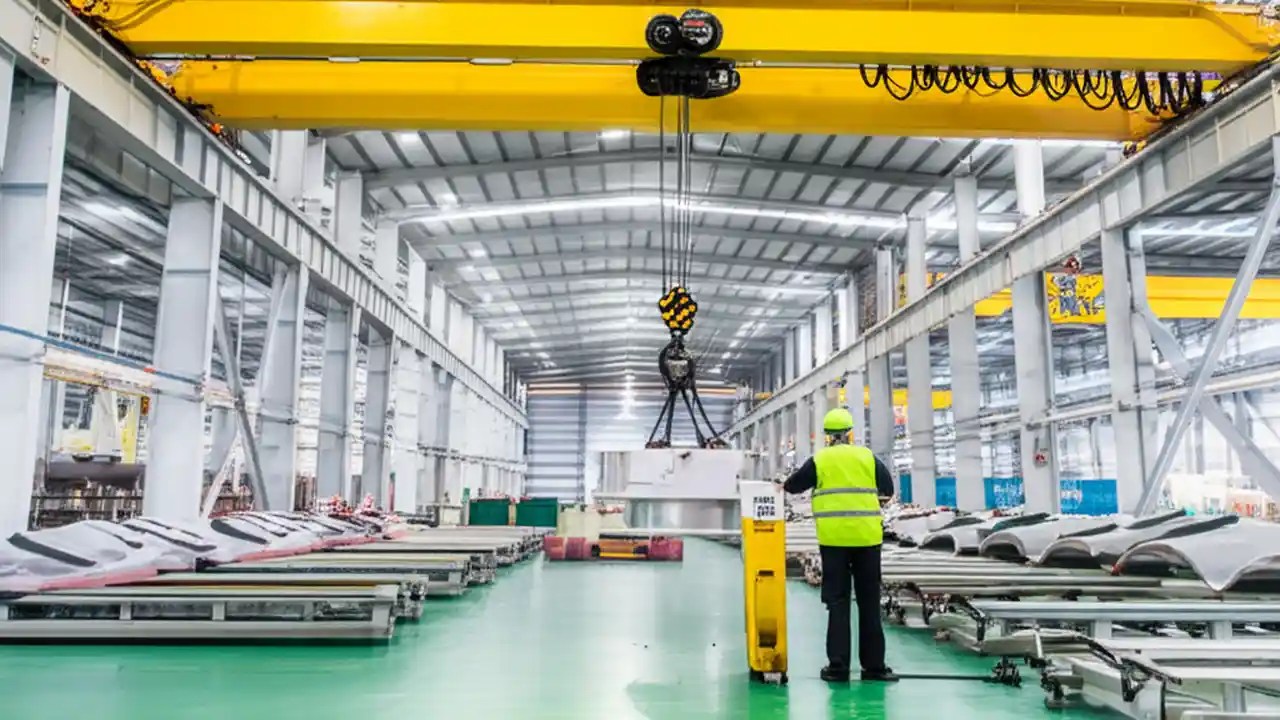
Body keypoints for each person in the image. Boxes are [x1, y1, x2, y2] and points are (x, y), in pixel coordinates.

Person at [780, 407, 898, 683]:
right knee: (869, 603)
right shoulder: (867, 457)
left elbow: (792, 486)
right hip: (868, 540)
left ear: (827, 435)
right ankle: (874, 667)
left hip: (834, 542)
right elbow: (888, 489)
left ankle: (838, 667)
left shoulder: (820, 460)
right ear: (850, 433)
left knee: (838, 603)